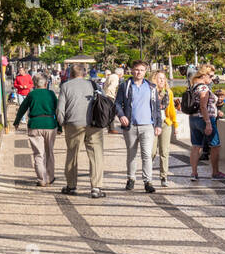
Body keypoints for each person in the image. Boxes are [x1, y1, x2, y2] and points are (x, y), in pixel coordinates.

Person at [56, 63, 105, 199]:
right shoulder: (94, 85)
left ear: (70, 74)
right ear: (85, 74)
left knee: (72, 154)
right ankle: (96, 187)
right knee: (96, 155)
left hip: (73, 124)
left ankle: (71, 186)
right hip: (94, 124)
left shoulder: (65, 86)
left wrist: (62, 123)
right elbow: (104, 101)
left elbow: (60, 109)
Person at [114, 60, 161, 193]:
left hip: (148, 126)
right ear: (132, 70)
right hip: (131, 126)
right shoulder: (125, 86)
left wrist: (158, 124)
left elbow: (157, 107)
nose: (138, 72)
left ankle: (148, 181)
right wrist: (121, 115)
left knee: (147, 154)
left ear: (145, 71)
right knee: (132, 154)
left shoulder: (151, 87)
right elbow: (117, 104)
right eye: (136, 69)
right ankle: (131, 179)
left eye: (141, 70)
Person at [14, 72, 60, 187]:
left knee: (38, 154)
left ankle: (42, 179)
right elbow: (58, 111)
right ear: (46, 83)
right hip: (50, 124)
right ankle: (50, 177)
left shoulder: (31, 94)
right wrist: (59, 127)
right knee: (49, 152)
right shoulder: (51, 94)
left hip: (34, 125)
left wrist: (16, 122)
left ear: (34, 83)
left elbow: (22, 108)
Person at [188, 64, 225, 181]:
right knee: (215, 145)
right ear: (204, 75)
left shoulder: (193, 86)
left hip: (193, 119)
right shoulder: (203, 88)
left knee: (196, 146)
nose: (212, 79)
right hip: (205, 119)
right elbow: (203, 107)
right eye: (210, 76)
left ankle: (194, 173)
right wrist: (208, 123)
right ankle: (215, 173)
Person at [151, 68, 177, 187]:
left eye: (163, 78)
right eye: (159, 78)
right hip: (151, 124)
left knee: (164, 151)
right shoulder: (150, 91)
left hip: (165, 123)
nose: (162, 80)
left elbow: (171, 110)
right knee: (151, 152)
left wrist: (175, 124)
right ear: (154, 79)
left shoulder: (168, 92)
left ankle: (164, 176)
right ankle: (148, 175)